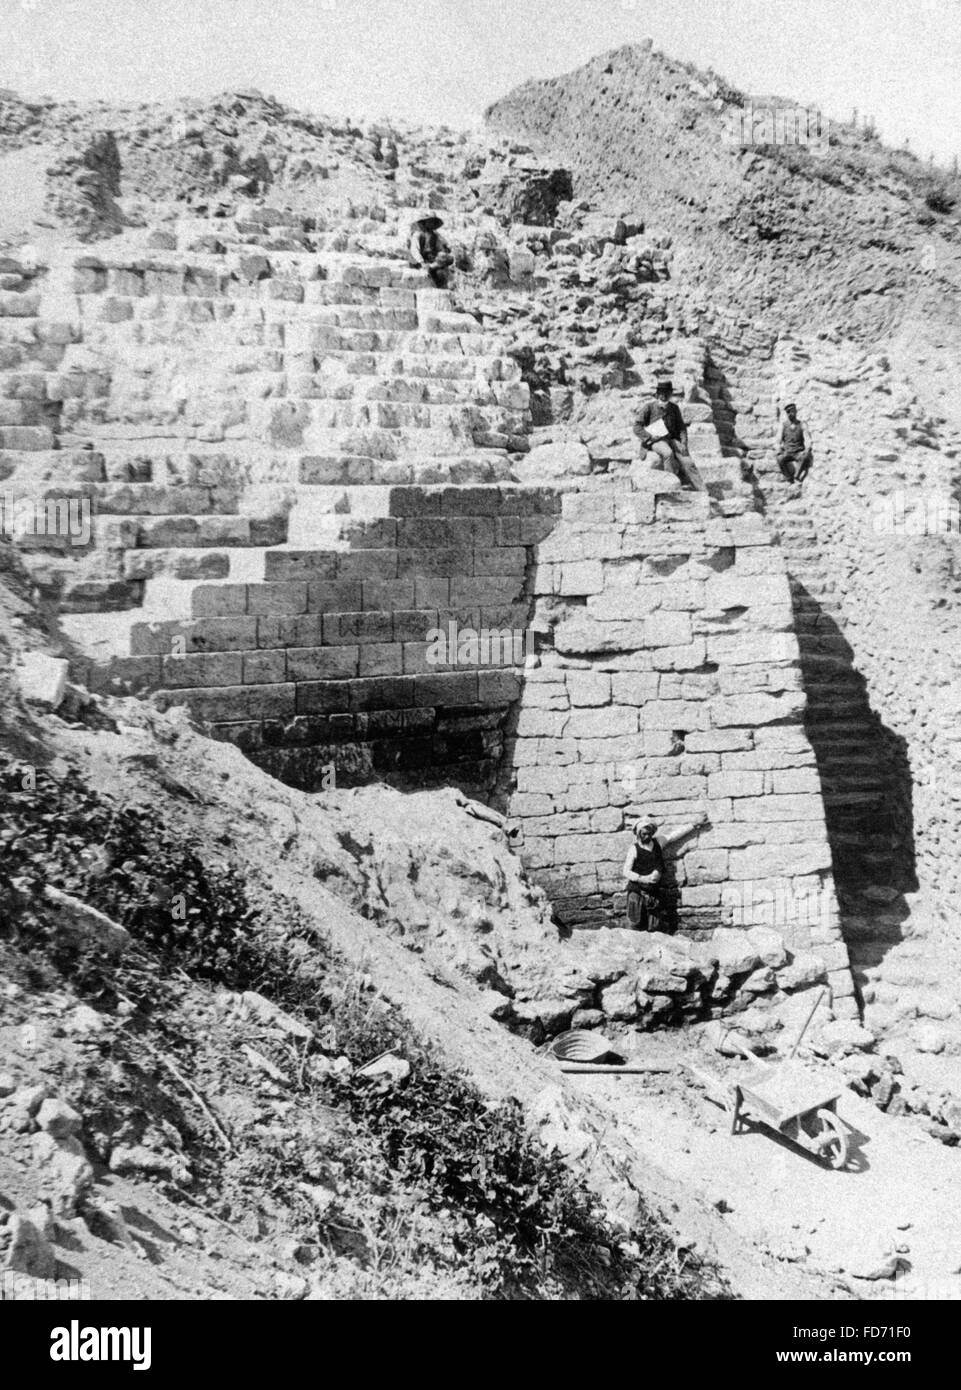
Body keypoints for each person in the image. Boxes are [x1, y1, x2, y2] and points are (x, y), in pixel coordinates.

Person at [634, 380, 707, 492]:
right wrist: (649, 436)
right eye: (661, 393)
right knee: (668, 453)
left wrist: (683, 443)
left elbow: (682, 428)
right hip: (656, 440)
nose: (664, 395)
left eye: (667, 393)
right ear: (657, 394)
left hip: (672, 439)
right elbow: (637, 427)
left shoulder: (674, 408)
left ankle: (703, 491)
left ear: (670, 394)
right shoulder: (649, 407)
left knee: (688, 461)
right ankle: (672, 487)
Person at [623, 814, 666, 931]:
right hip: (637, 891)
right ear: (638, 834)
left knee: (654, 926)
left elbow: (673, 836)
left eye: (649, 834)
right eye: (644, 834)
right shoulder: (634, 849)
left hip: (653, 892)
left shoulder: (658, 843)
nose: (647, 836)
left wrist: (693, 825)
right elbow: (626, 871)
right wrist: (642, 878)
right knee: (635, 924)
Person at [409, 214, 454, 288]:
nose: (432, 223)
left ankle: (432, 267)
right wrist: (421, 262)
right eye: (430, 221)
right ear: (424, 222)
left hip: (433, 261)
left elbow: (440, 248)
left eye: (433, 222)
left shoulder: (435, 235)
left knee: (447, 260)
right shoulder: (418, 234)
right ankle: (430, 267)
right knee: (438, 273)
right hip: (422, 261)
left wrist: (443, 253)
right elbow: (415, 250)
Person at [776, 403, 813, 486]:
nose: (790, 413)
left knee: (806, 456)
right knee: (779, 458)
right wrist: (778, 449)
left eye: (792, 411)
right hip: (787, 452)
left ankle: (796, 476)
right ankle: (789, 478)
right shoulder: (783, 425)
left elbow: (807, 439)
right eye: (788, 412)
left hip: (798, 452)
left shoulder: (802, 424)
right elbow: (778, 440)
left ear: (796, 411)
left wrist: (807, 448)